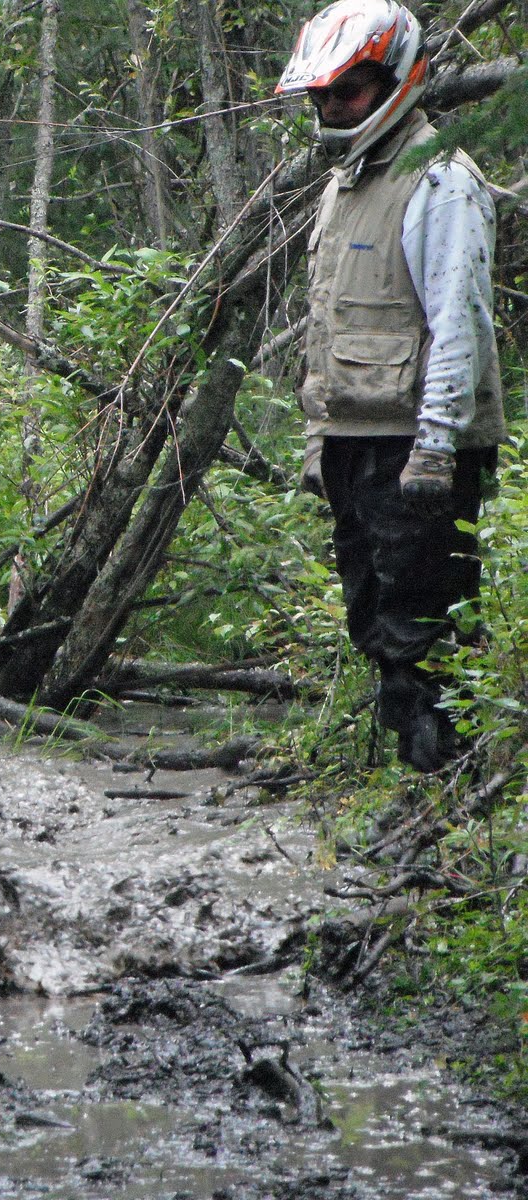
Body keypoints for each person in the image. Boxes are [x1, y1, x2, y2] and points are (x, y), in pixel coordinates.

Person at [277, 0, 506, 771]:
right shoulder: (347, 183)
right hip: (359, 444)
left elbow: (460, 322)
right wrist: (319, 441)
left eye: (349, 92)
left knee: (425, 634)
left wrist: (436, 451)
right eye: (324, 95)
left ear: (397, 81)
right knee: (374, 623)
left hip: (416, 448)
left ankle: (443, 793)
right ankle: (412, 785)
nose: (334, 108)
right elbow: (325, 326)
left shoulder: (442, 180)